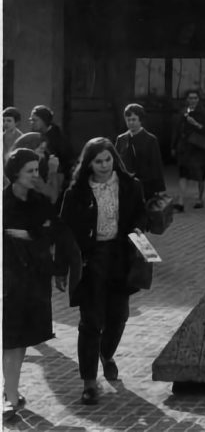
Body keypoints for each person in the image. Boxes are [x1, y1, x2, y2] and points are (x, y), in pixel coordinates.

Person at [59, 137, 147, 406]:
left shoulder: (130, 185)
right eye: (98, 161)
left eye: (108, 160)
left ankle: (106, 354)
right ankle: (89, 383)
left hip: (120, 256)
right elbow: (65, 231)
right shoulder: (76, 192)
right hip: (91, 260)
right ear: (89, 163)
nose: (104, 165)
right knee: (91, 321)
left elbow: (141, 214)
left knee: (118, 315)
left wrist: (139, 228)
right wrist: (61, 267)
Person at [3, 149, 71, 421]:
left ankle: (10, 391)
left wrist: (30, 235)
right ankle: (10, 398)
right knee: (11, 341)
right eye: (29, 170)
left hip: (35, 281)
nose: (35, 175)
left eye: (36, 170)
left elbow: (54, 234)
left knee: (21, 341)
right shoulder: (2, 203)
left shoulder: (41, 202)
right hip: (9, 281)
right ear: (14, 173)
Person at [114, 104, 167, 201]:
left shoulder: (150, 140)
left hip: (146, 186)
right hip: (126, 186)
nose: (131, 122)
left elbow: (156, 165)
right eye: (128, 120)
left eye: (134, 119)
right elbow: (116, 162)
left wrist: (159, 188)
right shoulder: (121, 139)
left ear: (140, 120)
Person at [172, 89, 205, 211]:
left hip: (199, 148)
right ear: (187, 100)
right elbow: (177, 130)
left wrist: (195, 123)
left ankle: (199, 199)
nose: (193, 100)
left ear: (199, 99)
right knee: (183, 173)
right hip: (186, 148)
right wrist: (174, 146)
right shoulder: (183, 113)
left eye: (195, 98)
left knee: (200, 175)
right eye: (190, 98)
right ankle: (180, 202)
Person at [27, 106, 72, 195]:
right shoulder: (34, 136)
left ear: (44, 121)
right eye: (30, 120)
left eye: (35, 120)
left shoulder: (58, 139)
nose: (31, 123)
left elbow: (65, 164)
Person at [9, 132, 63, 204]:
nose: (43, 156)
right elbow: (53, 198)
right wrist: (53, 171)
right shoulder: (29, 173)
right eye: (41, 150)